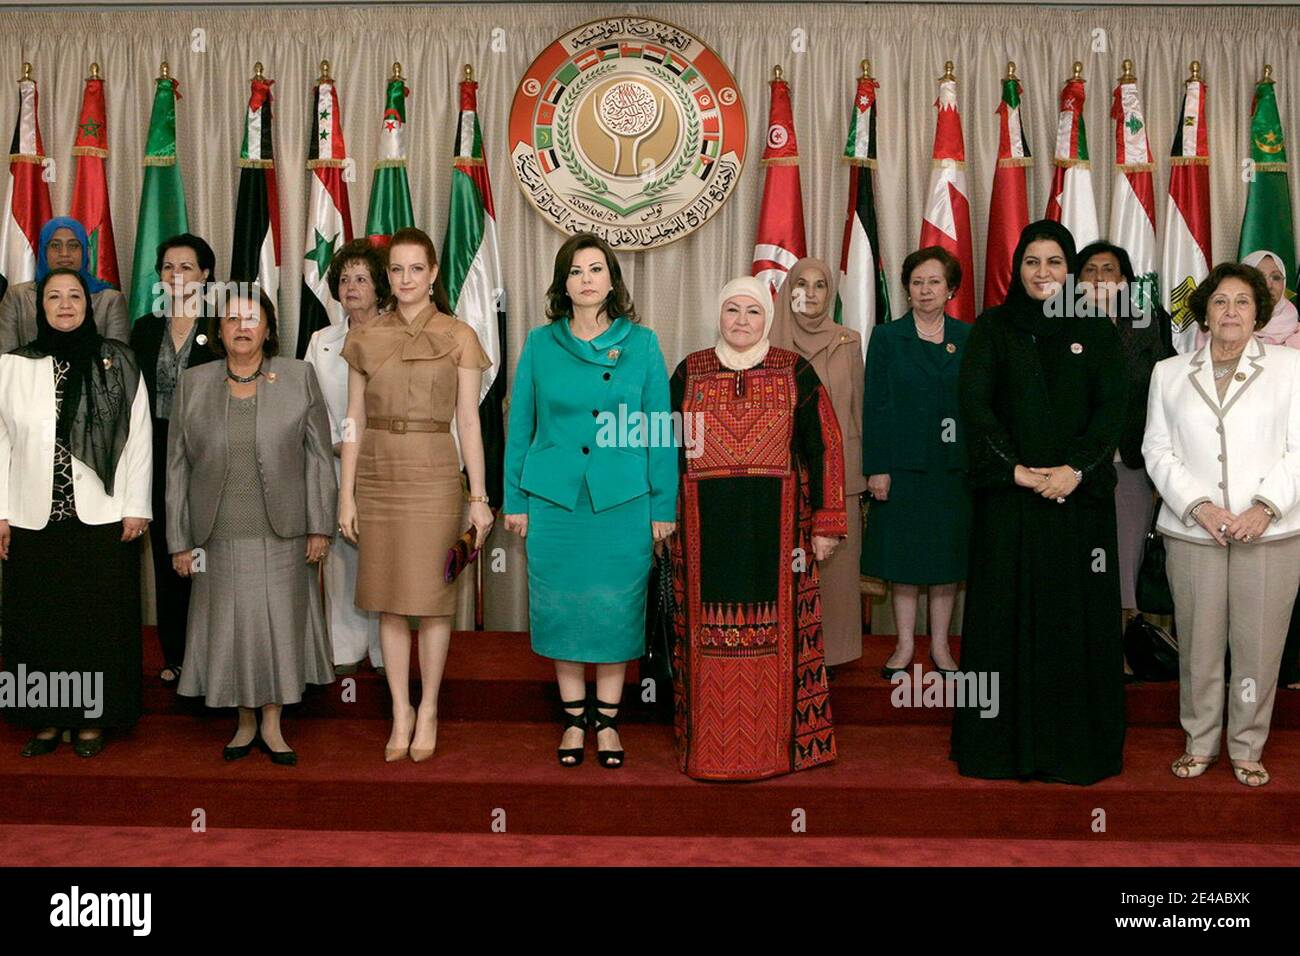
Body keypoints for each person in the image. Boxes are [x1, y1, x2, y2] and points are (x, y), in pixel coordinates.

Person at [952, 219, 1127, 785]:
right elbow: (975, 409)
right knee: (1004, 619)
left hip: (1079, 508)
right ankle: (998, 748)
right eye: (1032, 261)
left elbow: (1111, 413)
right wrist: (1018, 472)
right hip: (1012, 505)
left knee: (1073, 624)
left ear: (1070, 270)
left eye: (1055, 262)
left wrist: (1075, 470)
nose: (1043, 272)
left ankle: (1074, 749)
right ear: (1018, 268)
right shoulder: (993, 328)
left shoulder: (1097, 332)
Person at [503, 232, 676, 769]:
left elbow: (659, 433)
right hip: (555, 502)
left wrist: (662, 508)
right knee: (564, 612)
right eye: (575, 271)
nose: (585, 280)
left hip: (621, 502)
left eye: (595, 269)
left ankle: (608, 723)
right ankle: (574, 722)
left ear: (612, 279)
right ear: (563, 283)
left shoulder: (642, 344)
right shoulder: (539, 342)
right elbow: (520, 427)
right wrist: (516, 499)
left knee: (614, 612)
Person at [670, 276, 846, 781]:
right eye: (731, 310)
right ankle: (708, 751)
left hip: (781, 536)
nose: (741, 321)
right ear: (718, 316)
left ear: (767, 318)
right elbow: (664, 449)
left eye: (751, 311)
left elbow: (826, 445)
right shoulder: (689, 371)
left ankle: (775, 751)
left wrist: (827, 523)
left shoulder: (796, 370)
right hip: (702, 535)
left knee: (779, 632)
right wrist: (661, 516)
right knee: (705, 635)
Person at [338, 227, 493, 763]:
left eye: (415, 269)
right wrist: (346, 495)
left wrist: (479, 497)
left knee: (431, 601)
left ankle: (428, 708)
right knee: (386, 599)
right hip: (377, 473)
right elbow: (352, 421)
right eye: (396, 270)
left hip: (433, 473)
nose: (405, 279)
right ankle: (399, 710)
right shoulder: (363, 338)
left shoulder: (460, 335)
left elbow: (469, 422)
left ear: (432, 275)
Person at [1143, 262, 1300, 787]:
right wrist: (1200, 506)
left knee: (1256, 648)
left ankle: (1247, 744)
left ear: (1259, 313)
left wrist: (1265, 507)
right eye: (1220, 301)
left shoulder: (1290, 367)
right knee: (1200, 643)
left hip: (1271, 532)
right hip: (1194, 532)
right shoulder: (1169, 372)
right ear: (1205, 312)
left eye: (1242, 302)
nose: (1230, 311)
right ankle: (1200, 739)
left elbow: (1296, 450)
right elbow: (1157, 450)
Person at [168, 288, 336, 765]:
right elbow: (177, 467)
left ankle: (273, 724)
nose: (242, 327)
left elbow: (320, 459)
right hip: (215, 534)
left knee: (278, 625)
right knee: (231, 627)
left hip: (284, 530)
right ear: (218, 332)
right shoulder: (194, 383)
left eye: (252, 318)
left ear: (267, 327)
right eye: (232, 320)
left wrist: (320, 526)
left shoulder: (299, 377)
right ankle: (243, 722)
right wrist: (179, 540)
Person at [0, 268, 152, 756]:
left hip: (103, 518)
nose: (65, 305)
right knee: (39, 622)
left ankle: (92, 718)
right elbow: (1, 444)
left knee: (95, 624)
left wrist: (136, 507)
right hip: (31, 520)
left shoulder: (119, 361)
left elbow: (139, 438)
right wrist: (0, 512)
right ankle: (44, 718)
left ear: (88, 304)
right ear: (38, 306)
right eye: (53, 297)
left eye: (74, 296)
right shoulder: (12, 366)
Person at [861, 247, 970, 678]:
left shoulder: (968, 337)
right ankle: (905, 645)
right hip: (902, 468)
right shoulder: (887, 338)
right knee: (905, 561)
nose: (925, 290)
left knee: (945, 563)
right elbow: (876, 406)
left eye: (934, 282)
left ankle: (941, 647)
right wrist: (877, 466)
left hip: (952, 468)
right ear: (907, 288)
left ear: (950, 289)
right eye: (917, 282)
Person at [128, 233, 218, 684]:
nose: (176, 275)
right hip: (157, 448)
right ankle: (177, 653)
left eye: (186, 267)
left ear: (205, 274)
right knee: (170, 551)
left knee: (209, 551)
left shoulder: (223, 326)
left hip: (212, 452)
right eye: (167, 267)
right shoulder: (144, 328)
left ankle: (213, 653)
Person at [770, 256, 866, 668]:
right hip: (783, 476)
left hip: (839, 478)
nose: (809, 293)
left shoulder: (849, 340)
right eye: (801, 284)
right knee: (786, 573)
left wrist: (864, 475)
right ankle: (785, 655)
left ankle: (833, 659)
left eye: (820, 285)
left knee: (837, 579)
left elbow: (860, 409)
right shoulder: (768, 344)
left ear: (830, 293)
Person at [1075, 240, 1172, 621]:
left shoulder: (1148, 323)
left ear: (1126, 281)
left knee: (1127, 555)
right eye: (1090, 271)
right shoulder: (1061, 326)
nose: (1100, 279)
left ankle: (1123, 648)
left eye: (1109, 270)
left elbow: (1165, 385)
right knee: (1082, 556)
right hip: (1076, 465)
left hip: (1130, 460)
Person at [305, 239, 385, 677]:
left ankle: (383, 649)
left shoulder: (398, 334)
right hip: (335, 462)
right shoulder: (322, 340)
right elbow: (308, 406)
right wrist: (337, 445)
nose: (351, 286)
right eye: (343, 279)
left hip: (389, 466)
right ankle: (344, 648)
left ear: (380, 287)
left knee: (384, 558)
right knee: (341, 560)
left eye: (361, 278)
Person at [0, 216, 130, 352]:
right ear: (44, 251)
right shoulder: (17, 296)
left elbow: (118, 359)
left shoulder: (110, 300)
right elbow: (6, 360)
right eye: (55, 245)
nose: (64, 253)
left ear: (85, 251)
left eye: (73, 245)